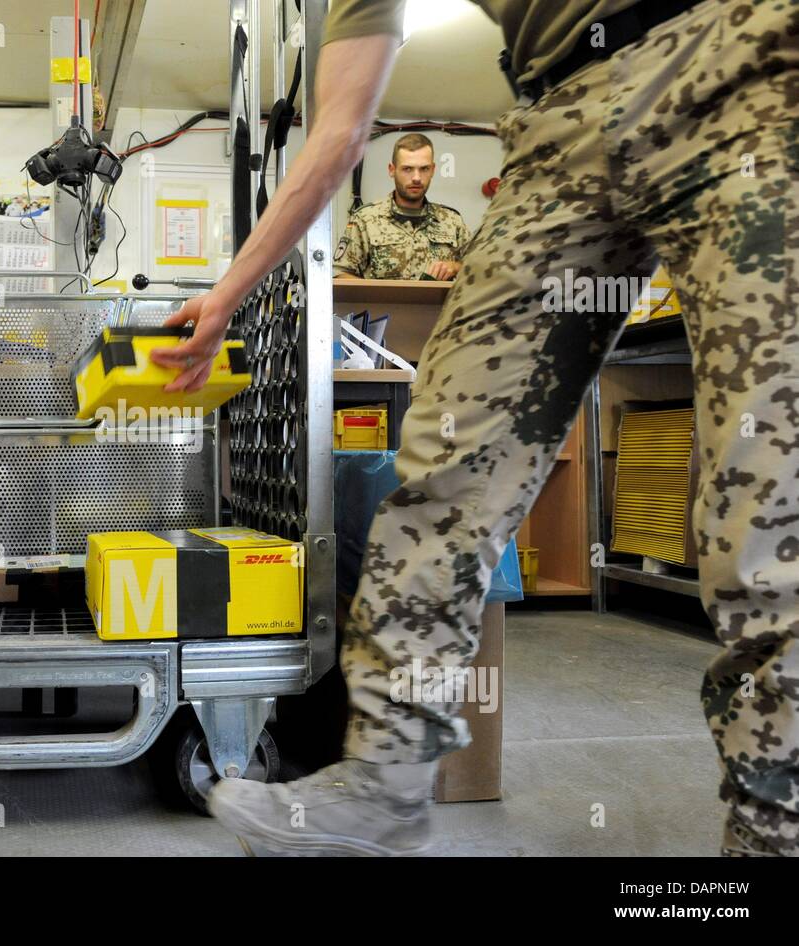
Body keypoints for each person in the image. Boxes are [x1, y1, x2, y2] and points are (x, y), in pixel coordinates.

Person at [151, 0, 798, 857]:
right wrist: (227, 295)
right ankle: (382, 781)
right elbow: (339, 132)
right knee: (439, 472)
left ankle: (769, 839)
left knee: (768, 508)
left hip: (742, 59)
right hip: (558, 125)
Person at [333, 132, 470, 281]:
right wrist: (377, 299)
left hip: (438, 305)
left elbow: (481, 268)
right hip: (381, 305)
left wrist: (455, 267)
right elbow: (340, 274)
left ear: (433, 170)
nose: (416, 178)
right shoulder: (365, 219)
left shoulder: (451, 221)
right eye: (407, 169)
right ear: (392, 170)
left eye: (424, 169)